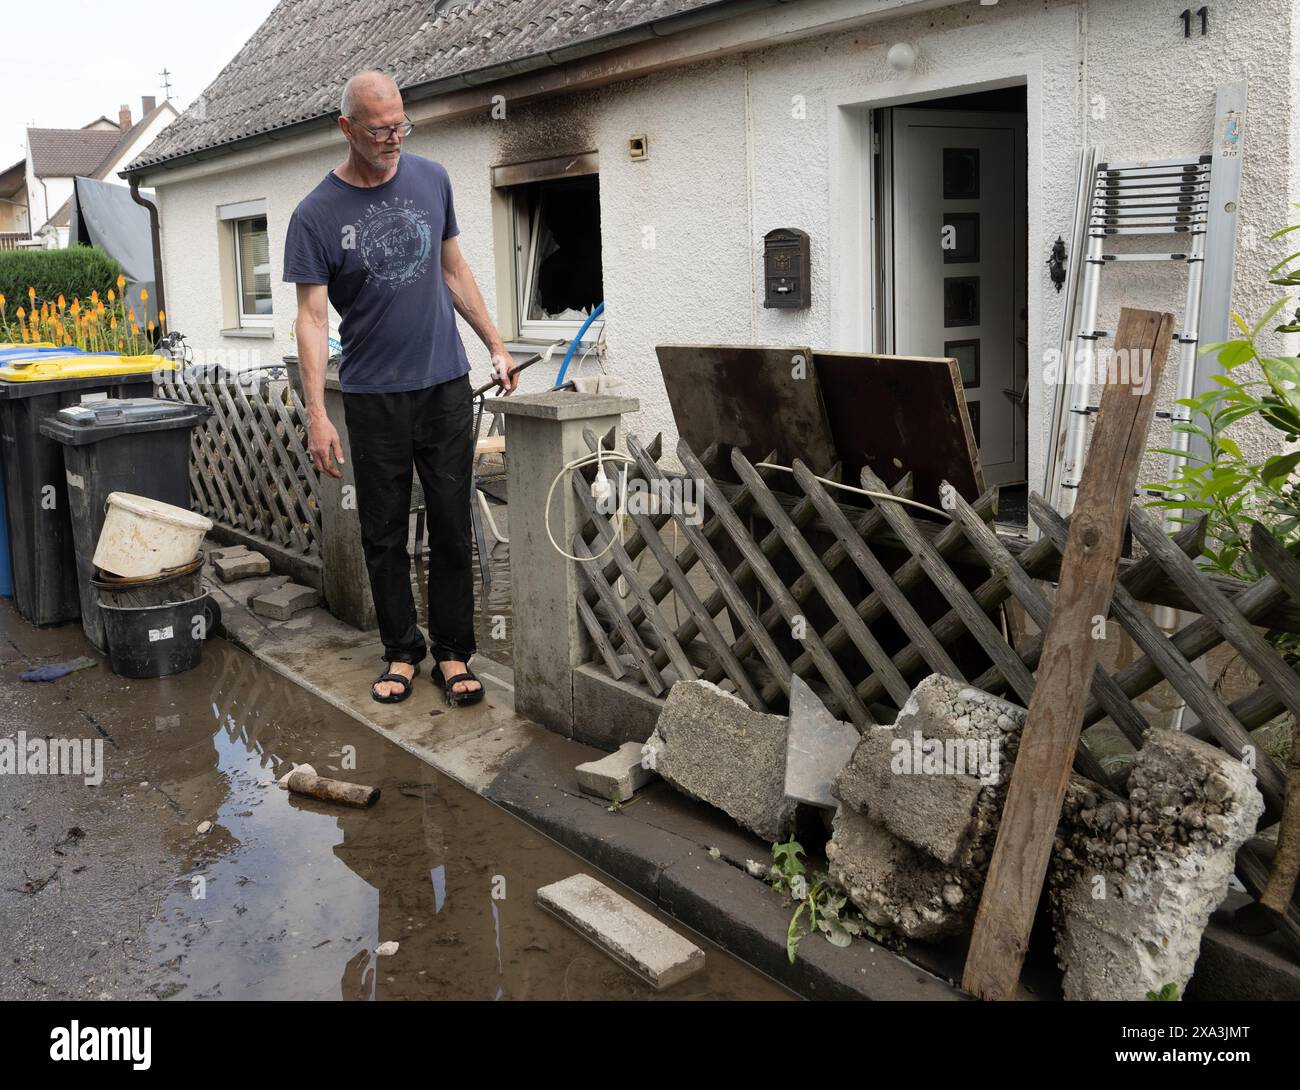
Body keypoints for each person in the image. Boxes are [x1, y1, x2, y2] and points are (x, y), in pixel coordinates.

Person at [284, 69, 515, 707]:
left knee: (450, 523)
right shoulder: (315, 215)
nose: (394, 138)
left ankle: (453, 652)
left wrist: (495, 343)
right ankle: (400, 650)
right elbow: (310, 317)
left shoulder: (431, 179)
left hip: (444, 384)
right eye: (380, 129)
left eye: (401, 125)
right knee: (382, 530)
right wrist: (316, 414)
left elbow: (454, 269)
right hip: (371, 395)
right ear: (347, 128)